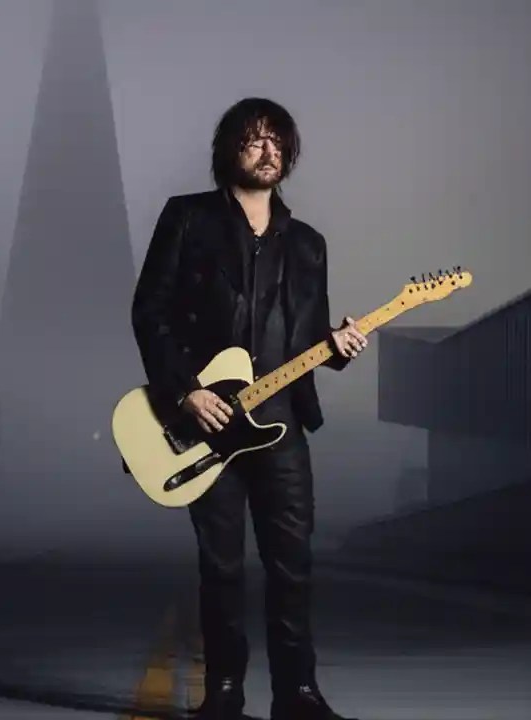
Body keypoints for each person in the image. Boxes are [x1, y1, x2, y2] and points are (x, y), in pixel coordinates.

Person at [130, 97, 366, 720]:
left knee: (293, 566)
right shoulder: (187, 219)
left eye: (276, 141)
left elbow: (311, 337)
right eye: (253, 139)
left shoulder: (308, 244)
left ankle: (298, 693)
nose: (267, 151)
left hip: (282, 422)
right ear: (227, 150)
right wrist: (185, 392)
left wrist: (339, 348)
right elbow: (148, 312)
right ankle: (225, 692)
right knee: (222, 566)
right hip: (208, 422)